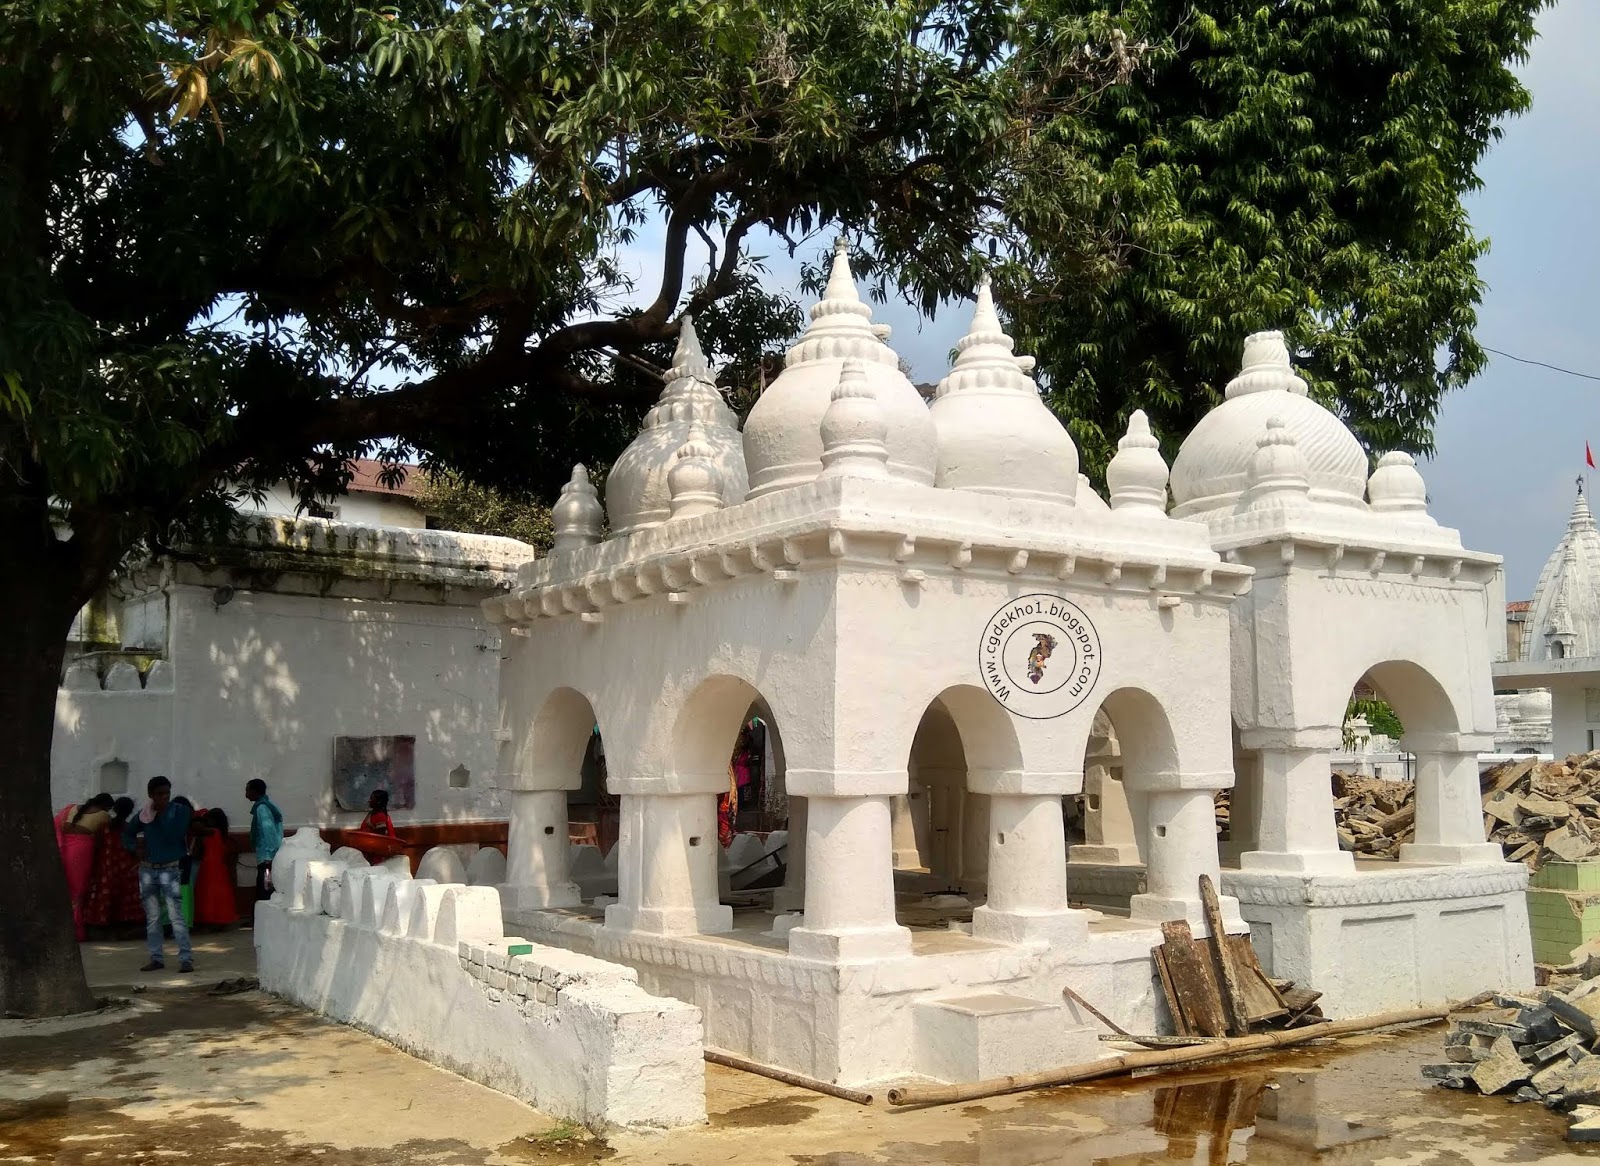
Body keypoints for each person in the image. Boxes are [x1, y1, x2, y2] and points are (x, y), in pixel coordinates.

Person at [123, 776, 194, 973]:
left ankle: (185, 958)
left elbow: (174, 836)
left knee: (175, 915)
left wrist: (162, 815)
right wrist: (133, 849)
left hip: (170, 868)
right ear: (150, 795)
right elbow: (127, 832)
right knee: (153, 917)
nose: (163, 797)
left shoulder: (180, 812)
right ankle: (156, 958)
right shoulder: (144, 814)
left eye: (166, 793)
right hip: (147, 869)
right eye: (159, 794)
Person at [53, 793, 116, 941]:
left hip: (62, 850)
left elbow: (56, 824)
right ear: (106, 806)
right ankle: (75, 930)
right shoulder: (104, 816)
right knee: (77, 892)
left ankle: (60, 927)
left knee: (64, 889)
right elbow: (102, 842)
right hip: (82, 853)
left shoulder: (70, 808)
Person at [85, 797, 142, 931]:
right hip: (125, 868)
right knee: (124, 895)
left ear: (114, 809)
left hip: (107, 867)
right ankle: (122, 926)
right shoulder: (129, 828)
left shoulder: (104, 827)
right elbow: (134, 849)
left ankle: (102, 926)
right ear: (130, 811)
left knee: (106, 894)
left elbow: (97, 846)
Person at [192, 807, 238, 927]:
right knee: (216, 894)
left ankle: (210, 919)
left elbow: (196, 828)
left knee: (209, 893)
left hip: (210, 867)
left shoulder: (212, 832)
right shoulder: (220, 834)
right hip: (217, 867)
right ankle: (216, 919)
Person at [246, 779, 283, 901]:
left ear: (255, 791)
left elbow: (269, 832)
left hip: (267, 857)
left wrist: (269, 856)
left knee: (265, 888)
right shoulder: (266, 805)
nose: (246, 794)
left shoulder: (262, 808)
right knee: (265, 886)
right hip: (267, 856)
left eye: (248, 790)